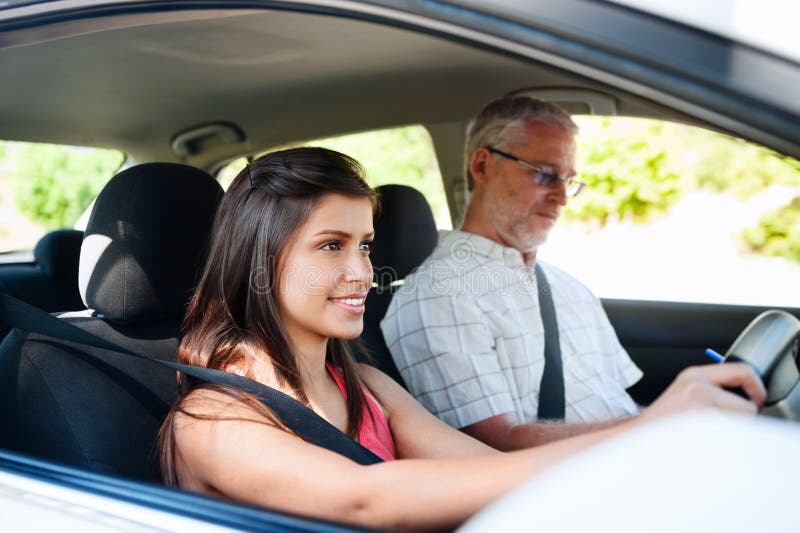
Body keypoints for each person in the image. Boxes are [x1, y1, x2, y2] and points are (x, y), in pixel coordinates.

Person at [158, 147, 765, 531]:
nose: (362, 273)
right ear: (261, 262)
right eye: (330, 246)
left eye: (364, 245)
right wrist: (654, 427)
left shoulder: (364, 383)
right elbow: (367, 500)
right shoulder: (212, 419)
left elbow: (489, 472)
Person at [381, 96, 664, 449]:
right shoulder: (439, 293)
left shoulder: (567, 287)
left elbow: (614, 405)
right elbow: (497, 446)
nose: (562, 197)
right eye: (545, 174)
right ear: (483, 166)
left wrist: (686, 425)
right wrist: (659, 424)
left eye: (569, 180)